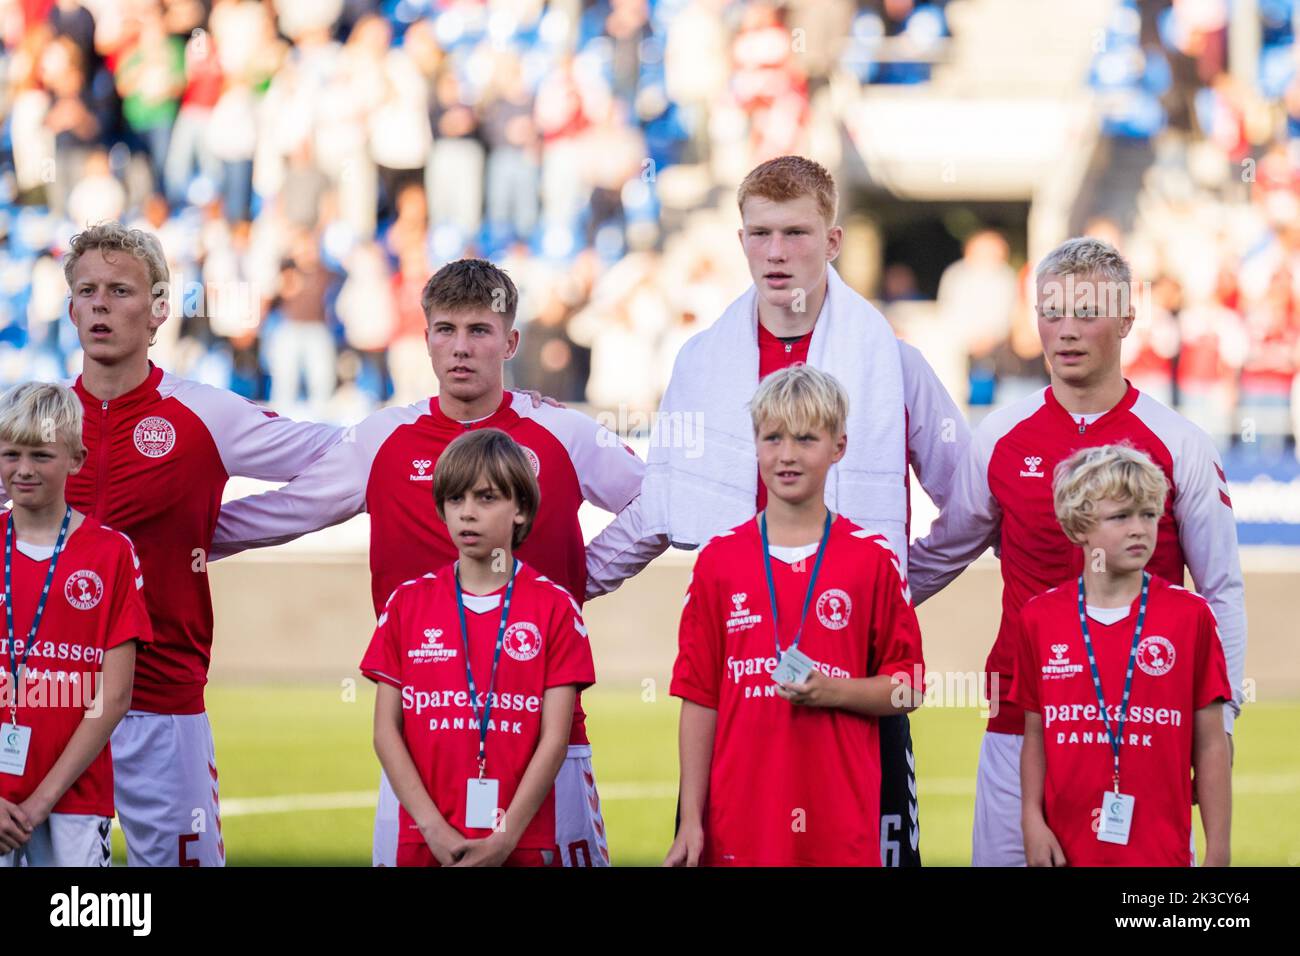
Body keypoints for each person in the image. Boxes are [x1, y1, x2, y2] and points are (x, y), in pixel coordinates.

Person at [586, 155, 967, 866]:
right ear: (740, 242)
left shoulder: (890, 359)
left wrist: (891, 584)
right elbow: (659, 501)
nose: (777, 252)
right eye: (760, 233)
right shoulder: (702, 360)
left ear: (832, 241)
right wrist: (565, 582)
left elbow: (970, 502)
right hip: (740, 680)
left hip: (854, 677)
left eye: (796, 232)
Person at [211, 258, 645, 867]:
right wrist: (181, 545)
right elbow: (285, 511)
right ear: (425, 339)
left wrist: (584, 575)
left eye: (479, 330)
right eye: (446, 330)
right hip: (423, 742)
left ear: (510, 340)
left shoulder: (565, 433)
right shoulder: (382, 438)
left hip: (547, 732)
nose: (461, 347)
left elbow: (657, 506)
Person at [909, 236, 1247, 866]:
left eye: (1085, 313)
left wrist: (1219, 727)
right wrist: (832, 599)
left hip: (1144, 730)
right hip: (1020, 721)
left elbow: (1221, 589)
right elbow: (938, 556)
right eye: (1050, 311)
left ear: (1125, 317)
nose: (1064, 331)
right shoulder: (1001, 438)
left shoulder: (1180, 443)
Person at [62, 222, 342, 866]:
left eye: (120, 290)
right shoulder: (37, 423)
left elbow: (344, 455)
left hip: (163, 704)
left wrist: (227, 530)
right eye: (87, 291)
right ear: (71, 307)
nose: (101, 304)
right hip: (50, 703)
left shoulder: (207, 413)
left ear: (161, 308)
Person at [665, 366, 924, 866]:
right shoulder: (719, 560)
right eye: (773, 438)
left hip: (840, 825)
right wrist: (691, 819)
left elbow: (908, 686)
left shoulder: (871, 557)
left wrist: (831, 691)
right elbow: (699, 698)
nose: (787, 455)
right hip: (739, 825)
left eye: (806, 438)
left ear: (838, 447)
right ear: (755, 444)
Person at [362, 430, 594, 867]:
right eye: (455, 499)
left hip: (522, 839)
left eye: (486, 498)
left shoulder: (555, 608)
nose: (467, 513)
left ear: (521, 509)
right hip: (423, 838)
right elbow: (385, 731)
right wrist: (432, 828)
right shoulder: (407, 604)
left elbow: (554, 739)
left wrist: (503, 838)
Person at [1013, 444, 1232, 866]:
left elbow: (1210, 744)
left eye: (1149, 514)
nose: (1139, 529)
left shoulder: (1191, 616)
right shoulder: (1040, 618)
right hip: (1067, 848)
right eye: (1120, 516)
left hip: (1160, 851)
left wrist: (1218, 851)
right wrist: (1031, 820)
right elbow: (1036, 734)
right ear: (1079, 527)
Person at [0, 383, 152, 866]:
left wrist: (39, 803)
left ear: (77, 460)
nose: (24, 470)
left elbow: (115, 695)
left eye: (42, 455)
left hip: (74, 800)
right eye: (11, 454)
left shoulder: (111, 554)